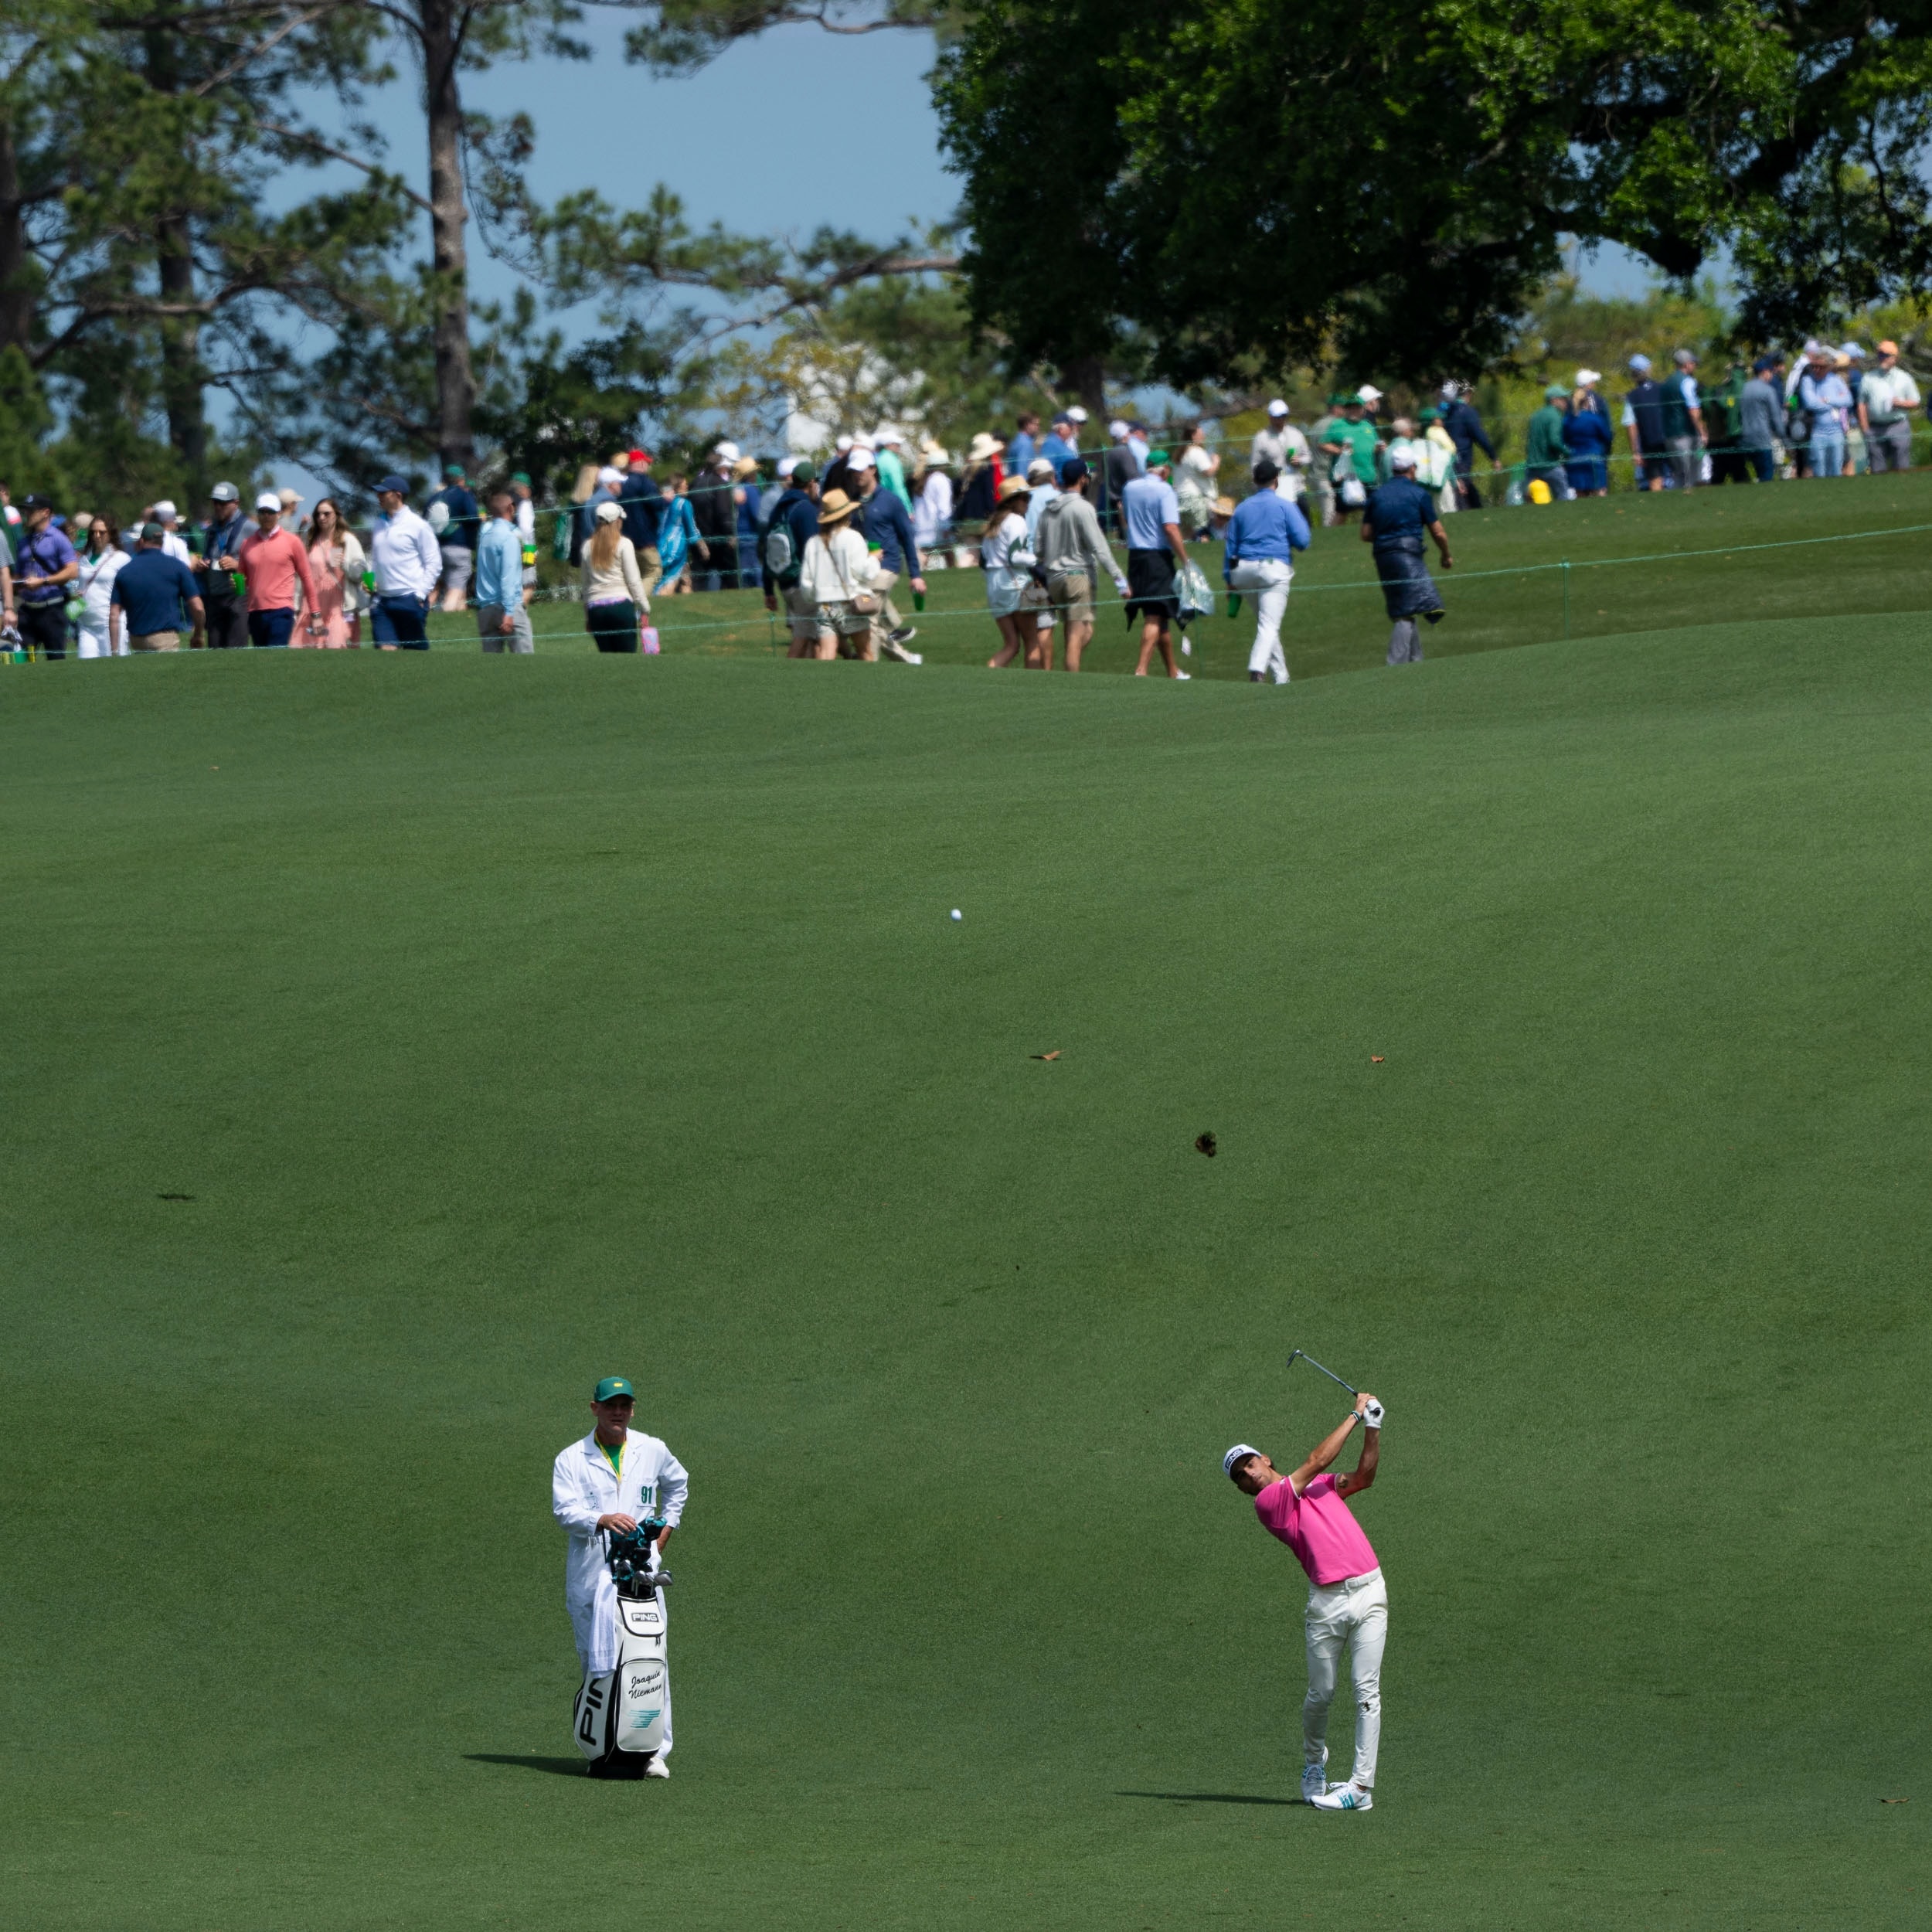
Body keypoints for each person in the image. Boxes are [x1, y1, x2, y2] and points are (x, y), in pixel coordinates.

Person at [1223, 1388, 1385, 1812]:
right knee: (1322, 1693)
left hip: (1370, 1590)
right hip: (1327, 1603)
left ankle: (1361, 1789)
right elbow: (1316, 1460)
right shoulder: (1269, 1504)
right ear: (1243, 1488)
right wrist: (1354, 1415)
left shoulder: (1320, 1487)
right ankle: (1315, 1763)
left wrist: (1374, 1427)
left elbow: (1364, 1477)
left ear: (1266, 1459)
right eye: (1240, 1475)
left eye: (1250, 1464)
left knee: (1367, 1691)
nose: (1249, 1474)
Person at [552, 1376, 688, 1780]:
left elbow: (678, 1485)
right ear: (594, 1407)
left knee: (651, 1658)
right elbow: (564, 1512)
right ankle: (603, 1748)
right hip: (592, 1577)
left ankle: (654, 1752)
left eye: (624, 1405)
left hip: (642, 1575)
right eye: (610, 1404)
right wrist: (602, 1519)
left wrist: (664, 1534)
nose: (618, 1412)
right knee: (599, 1661)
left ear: (632, 1409)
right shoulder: (572, 1458)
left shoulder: (652, 1449)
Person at [1034, 457, 1127, 673]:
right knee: (1076, 638)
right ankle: (1070, 685)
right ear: (1082, 479)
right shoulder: (1082, 508)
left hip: (1053, 578)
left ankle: (1066, 672)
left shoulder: (1048, 510)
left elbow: (1038, 549)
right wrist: (1120, 579)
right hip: (1077, 576)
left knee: (1084, 632)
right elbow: (1100, 547)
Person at [1361, 447, 1453, 665]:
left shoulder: (1377, 495)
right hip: (1408, 554)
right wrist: (1446, 555)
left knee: (1405, 606)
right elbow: (1438, 531)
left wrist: (1387, 536)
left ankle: (1416, 661)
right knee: (1405, 611)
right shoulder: (1418, 494)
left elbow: (1365, 534)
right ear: (1412, 468)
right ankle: (1395, 665)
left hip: (1383, 555)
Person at [1223, 459, 1311, 684]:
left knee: (1266, 624)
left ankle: (1282, 677)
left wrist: (1229, 580)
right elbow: (1303, 541)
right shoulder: (1284, 505)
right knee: (1269, 625)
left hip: (1242, 571)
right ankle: (1257, 669)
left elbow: (1230, 547)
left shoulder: (1242, 508)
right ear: (1277, 480)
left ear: (1254, 481)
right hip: (1273, 569)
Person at [1121, 447, 1189, 680]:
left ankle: (1172, 671)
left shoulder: (1130, 488)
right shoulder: (1164, 490)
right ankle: (1141, 670)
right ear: (1164, 469)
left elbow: (1124, 514)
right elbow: (1170, 527)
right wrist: (1185, 560)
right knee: (1153, 616)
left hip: (1136, 557)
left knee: (1161, 615)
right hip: (1157, 557)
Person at [855, 451, 925, 663]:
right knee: (868, 620)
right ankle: (907, 659)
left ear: (873, 470)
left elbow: (906, 537)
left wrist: (915, 575)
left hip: (886, 569)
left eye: (861, 469)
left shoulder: (890, 501)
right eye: (854, 471)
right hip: (863, 570)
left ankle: (870, 667)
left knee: (869, 619)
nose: (857, 474)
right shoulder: (853, 502)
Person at [796, 486, 879, 661]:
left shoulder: (813, 543)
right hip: (849, 604)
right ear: (847, 514)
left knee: (826, 657)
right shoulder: (853, 537)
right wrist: (874, 559)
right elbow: (864, 573)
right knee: (865, 653)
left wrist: (816, 597)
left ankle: (825, 688)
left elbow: (806, 584)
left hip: (824, 606)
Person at [236, 491, 321, 648]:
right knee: (261, 662)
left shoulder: (292, 542)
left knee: (275, 658)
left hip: (281, 611)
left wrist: (315, 613)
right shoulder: (247, 544)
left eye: (271, 512)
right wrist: (238, 590)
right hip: (255, 612)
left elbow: (307, 578)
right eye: (262, 512)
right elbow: (242, 579)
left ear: (279, 513)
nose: (266, 516)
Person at [108, 521, 206, 651]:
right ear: (162, 542)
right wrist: (198, 635)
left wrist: (114, 651)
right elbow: (198, 608)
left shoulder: (125, 571)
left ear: (141, 541)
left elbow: (114, 615)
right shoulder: (178, 567)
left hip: (136, 641)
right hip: (166, 640)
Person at [369, 475, 441, 648]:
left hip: (410, 599)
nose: (378, 497)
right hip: (382, 601)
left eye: (383, 494)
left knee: (414, 657)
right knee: (386, 653)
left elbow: (434, 562)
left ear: (398, 495)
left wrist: (420, 594)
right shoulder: (378, 524)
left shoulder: (417, 525)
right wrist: (371, 582)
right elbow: (376, 560)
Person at [760, 459, 824, 657]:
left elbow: (768, 550)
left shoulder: (778, 509)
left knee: (814, 638)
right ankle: (785, 674)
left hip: (783, 582)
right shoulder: (806, 510)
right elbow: (812, 550)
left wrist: (769, 590)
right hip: (802, 583)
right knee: (807, 634)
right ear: (812, 482)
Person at [981, 472, 1041, 669]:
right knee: (1033, 642)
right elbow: (1015, 557)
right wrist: (1039, 560)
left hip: (994, 585)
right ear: (1013, 501)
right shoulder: (1016, 521)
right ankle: (1034, 690)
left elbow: (983, 561)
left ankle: (985, 678)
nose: (1027, 502)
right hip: (1016, 583)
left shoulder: (993, 524)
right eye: (1025, 497)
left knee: (1012, 645)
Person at [580, 498, 648, 651]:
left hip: (595, 609)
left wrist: (587, 617)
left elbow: (585, 585)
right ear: (617, 521)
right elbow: (633, 580)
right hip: (621, 606)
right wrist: (644, 607)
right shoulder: (624, 544)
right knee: (626, 661)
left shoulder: (587, 547)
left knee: (608, 662)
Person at [14, 495, 78, 658]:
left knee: (56, 660)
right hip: (27, 609)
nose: (26, 514)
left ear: (45, 512)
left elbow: (72, 571)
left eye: (31, 510)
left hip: (52, 610)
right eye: (25, 510)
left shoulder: (59, 539)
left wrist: (43, 582)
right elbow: (18, 574)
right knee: (23, 660)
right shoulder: (23, 542)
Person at [299, 498, 365, 647]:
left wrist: (344, 564)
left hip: (340, 607)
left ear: (336, 515)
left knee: (337, 648)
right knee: (313, 655)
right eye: (318, 514)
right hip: (314, 606)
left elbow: (361, 573)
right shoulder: (310, 540)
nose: (321, 518)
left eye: (326, 514)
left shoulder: (348, 540)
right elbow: (302, 575)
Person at [474, 488, 533, 654]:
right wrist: (508, 612)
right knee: (526, 664)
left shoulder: (485, 537)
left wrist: (520, 564)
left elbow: (491, 568)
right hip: (507, 605)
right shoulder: (509, 538)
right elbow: (507, 577)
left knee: (492, 669)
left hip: (486, 608)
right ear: (511, 508)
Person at [195, 482, 251, 649]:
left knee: (236, 651)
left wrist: (238, 564)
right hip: (214, 597)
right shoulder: (212, 530)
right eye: (215, 503)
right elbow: (209, 555)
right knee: (215, 651)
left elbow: (264, 563)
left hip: (238, 596)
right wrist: (203, 564)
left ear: (236, 503)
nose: (218, 507)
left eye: (223, 503)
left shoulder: (249, 528)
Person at [425, 464, 479, 611]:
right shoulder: (463, 494)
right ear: (461, 480)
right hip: (459, 547)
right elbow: (473, 517)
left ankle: (427, 614)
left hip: (437, 549)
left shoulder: (434, 498)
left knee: (440, 586)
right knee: (455, 588)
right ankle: (447, 612)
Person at [1859, 341, 1920, 473]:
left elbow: (1915, 402)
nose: (1882, 358)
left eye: (1886, 355)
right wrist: (1865, 428)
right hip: (1875, 428)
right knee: (1877, 468)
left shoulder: (1905, 378)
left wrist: (1900, 404)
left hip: (1898, 426)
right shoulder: (1868, 378)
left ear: (1895, 358)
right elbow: (1861, 403)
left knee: (1901, 467)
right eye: (1880, 355)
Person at [73, 512, 128, 658]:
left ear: (111, 534)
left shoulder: (121, 559)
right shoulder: (84, 559)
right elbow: (80, 585)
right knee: (86, 669)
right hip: (87, 625)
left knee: (115, 669)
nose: (97, 536)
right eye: (94, 532)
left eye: (102, 532)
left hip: (110, 624)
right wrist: (76, 595)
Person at [1319, 396, 1380, 519]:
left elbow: (1375, 445)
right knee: (1342, 511)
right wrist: (1340, 451)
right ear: (1347, 409)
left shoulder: (1368, 426)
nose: (1354, 410)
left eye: (1357, 408)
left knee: (1374, 511)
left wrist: (1380, 448)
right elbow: (1323, 444)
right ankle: (1335, 537)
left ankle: (1370, 536)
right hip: (1345, 477)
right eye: (1351, 408)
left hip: (1367, 475)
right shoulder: (1337, 425)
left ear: (1363, 410)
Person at [1438, 383, 1497, 510]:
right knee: (1462, 494)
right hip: (1461, 460)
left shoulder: (1441, 411)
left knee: (1467, 493)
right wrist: (1493, 457)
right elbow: (1480, 436)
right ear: (1468, 394)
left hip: (1443, 459)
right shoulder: (1466, 412)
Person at [617, 452, 665, 603]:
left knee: (632, 574)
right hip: (645, 537)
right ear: (639, 463)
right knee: (654, 569)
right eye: (646, 462)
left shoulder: (622, 484)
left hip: (624, 537)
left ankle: (627, 602)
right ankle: (639, 601)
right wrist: (666, 500)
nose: (647, 465)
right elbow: (656, 504)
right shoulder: (645, 482)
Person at [690, 446, 738, 590]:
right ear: (720, 466)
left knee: (700, 577)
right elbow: (723, 511)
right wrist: (730, 533)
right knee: (729, 575)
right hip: (718, 536)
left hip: (699, 536)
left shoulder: (694, 483)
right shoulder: (720, 484)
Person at [1798, 349, 1852, 479]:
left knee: (1836, 466)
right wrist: (1834, 403)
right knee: (1818, 467)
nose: (1816, 369)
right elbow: (1810, 403)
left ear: (1828, 367)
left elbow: (1848, 400)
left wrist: (1828, 400)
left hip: (1836, 430)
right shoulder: (1807, 381)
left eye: (1820, 367)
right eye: (1814, 366)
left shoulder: (1836, 380)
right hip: (1818, 431)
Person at [1661, 349, 1707, 490]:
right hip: (1686, 434)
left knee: (1678, 475)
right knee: (1692, 476)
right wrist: (1702, 431)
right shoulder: (1687, 382)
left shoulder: (1666, 383)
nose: (1695, 367)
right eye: (1694, 364)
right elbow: (1693, 410)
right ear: (1687, 364)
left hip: (1670, 435)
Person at [1621, 355, 1669, 491]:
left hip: (1649, 443)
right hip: (1668, 439)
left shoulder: (1632, 396)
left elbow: (1631, 425)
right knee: (1674, 476)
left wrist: (1635, 451)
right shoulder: (1663, 389)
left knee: (1655, 478)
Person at [1562, 372, 1614, 496]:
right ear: (1586, 402)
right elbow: (1607, 435)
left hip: (1574, 458)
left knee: (1580, 494)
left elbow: (1563, 438)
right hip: (1595, 456)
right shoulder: (1596, 413)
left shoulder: (1568, 419)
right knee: (1599, 491)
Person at [1251, 400, 1311, 503]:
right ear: (1270, 417)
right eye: (1276, 417)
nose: (1280, 419)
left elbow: (1308, 456)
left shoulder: (1296, 434)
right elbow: (1255, 464)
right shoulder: (1261, 438)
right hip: (1273, 491)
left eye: (1283, 416)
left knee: (1302, 519)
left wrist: (1300, 461)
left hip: (1297, 488)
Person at [1738, 355, 1786, 482]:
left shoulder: (1744, 388)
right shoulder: (1768, 390)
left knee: (1751, 475)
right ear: (1765, 372)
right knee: (1766, 476)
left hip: (1745, 437)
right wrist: (1784, 438)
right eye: (1771, 372)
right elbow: (1776, 418)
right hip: (1763, 438)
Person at [654, 477, 702, 593]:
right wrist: (702, 545)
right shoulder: (683, 503)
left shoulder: (661, 504)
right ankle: (658, 600)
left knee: (686, 579)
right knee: (671, 579)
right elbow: (692, 528)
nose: (687, 487)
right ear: (676, 488)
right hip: (676, 545)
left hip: (660, 544)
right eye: (684, 485)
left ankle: (688, 603)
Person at [1173, 420, 1220, 536]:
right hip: (1196, 499)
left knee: (1188, 536)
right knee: (1202, 532)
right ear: (1193, 436)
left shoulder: (1181, 453)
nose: (1203, 436)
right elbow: (1207, 472)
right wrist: (1216, 462)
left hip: (1181, 499)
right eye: (1201, 434)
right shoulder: (1196, 451)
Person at [1524, 384, 1570, 498]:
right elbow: (1554, 441)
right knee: (1563, 497)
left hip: (1532, 467)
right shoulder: (1555, 416)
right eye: (1563, 399)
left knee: (1533, 501)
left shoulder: (1536, 416)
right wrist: (1567, 452)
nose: (1566, 402)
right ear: (1554, 400)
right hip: (1550, 466)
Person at [911, 446, 954, 557]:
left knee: (924, 553)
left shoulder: (925, 479)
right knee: (948, 553)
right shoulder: (941, 479)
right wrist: (946, 526)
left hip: (923, 524)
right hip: (937, 524)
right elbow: (944, 505)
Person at [958, 432, 1004, 525]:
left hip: (967, 517)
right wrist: (993, 513)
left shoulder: (968, 469)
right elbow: (989, 495)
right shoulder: (986, 470)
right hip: (982, 518)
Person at [511, 471, 539, 604]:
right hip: (525, 546)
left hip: (508, 545)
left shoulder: (506, 501)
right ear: (523, 488)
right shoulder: (525, 503)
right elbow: (526, 529)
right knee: (529, 583)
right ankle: (518, 612)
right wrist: (531, 551)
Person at [874, 427, 913, 512]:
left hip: (882, 503)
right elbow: (898, 487)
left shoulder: (881, 458)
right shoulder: (891, 461)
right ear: (888, 445)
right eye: (896, 444)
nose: (899, 446)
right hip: (893, 506)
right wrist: (907, 509)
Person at [149, 500, 194, 566]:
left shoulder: (147, 541)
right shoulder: (177, 543)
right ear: (170, 519)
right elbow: (185, 569)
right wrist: (194, 562)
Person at [1038, 412, 1080, 481]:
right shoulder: (1050, 443)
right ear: (1061, 429)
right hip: (1060, 489)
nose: (1072, 430)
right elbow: (1046, 470)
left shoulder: (1062, 443)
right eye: (1070, 427)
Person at [1007, 411, 1040, 479]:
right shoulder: (1025, 444)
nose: (1038, 427)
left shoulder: (1017, 441)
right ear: (1027, 425)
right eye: (1036, 424)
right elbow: (1022, 471)